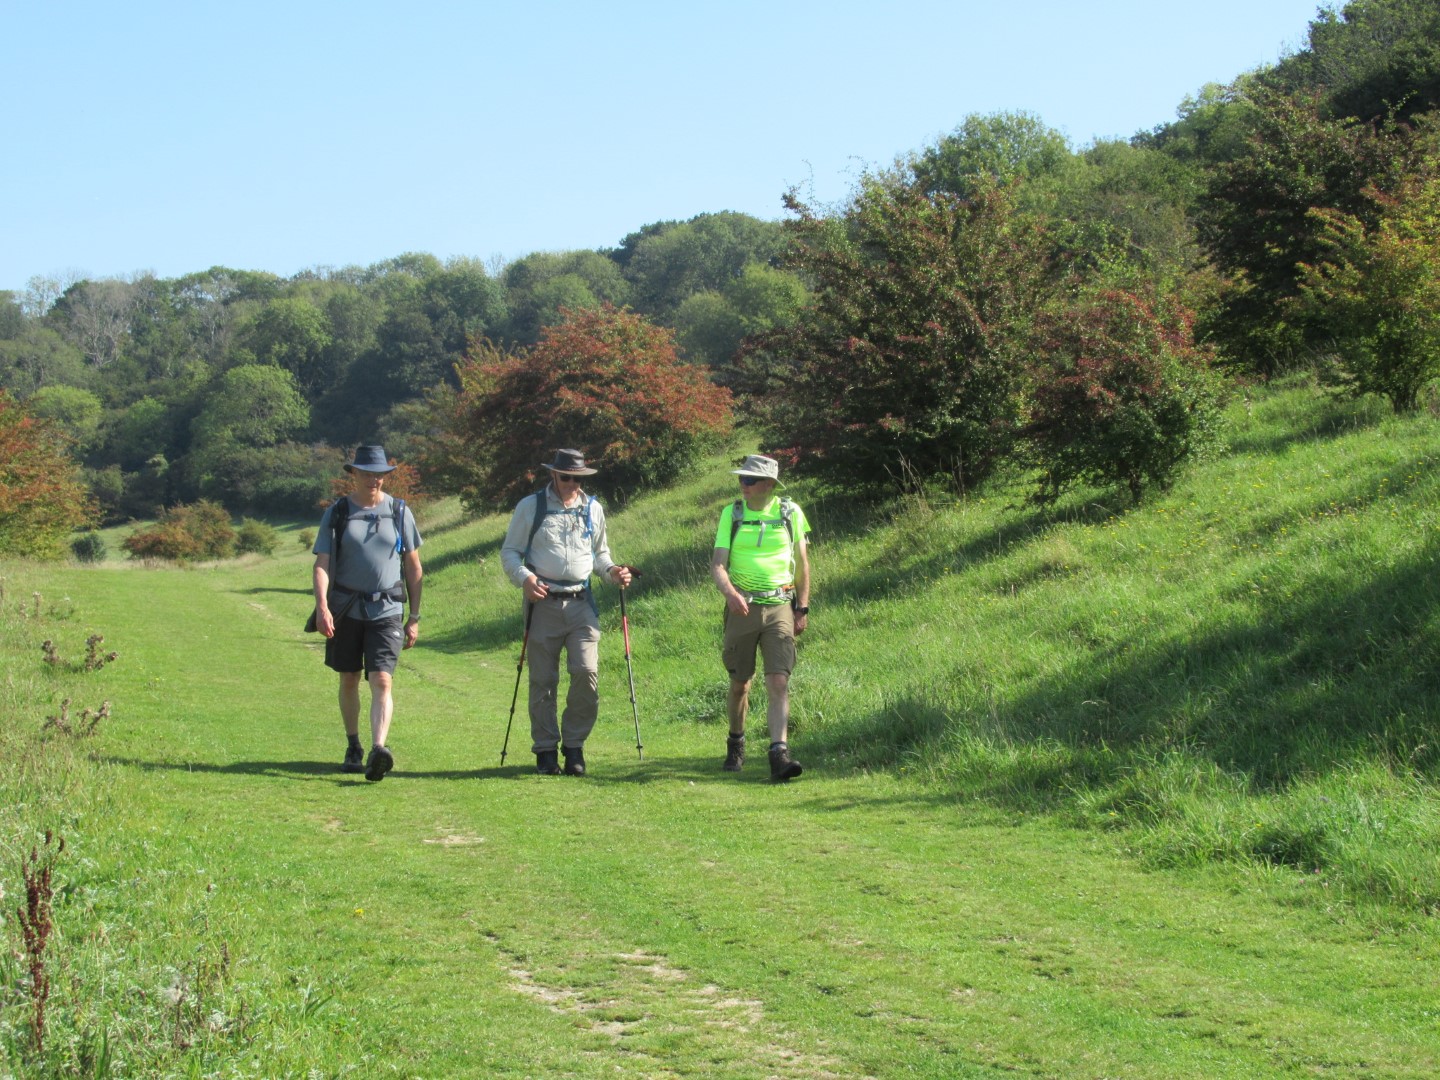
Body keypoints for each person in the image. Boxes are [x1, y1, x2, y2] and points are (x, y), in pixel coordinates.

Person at [500, 449, 631, 776]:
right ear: (553, 475)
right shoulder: (531, 507)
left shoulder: (593, 508)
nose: (572, 483)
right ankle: (545, 752)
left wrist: (613, 572)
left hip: (581, 603)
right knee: (543, 680)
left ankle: (574, 746)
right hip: (542, 603)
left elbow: (601, 555)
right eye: (566, 477)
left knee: (586, 673)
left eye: (578, 477)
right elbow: (510, 553)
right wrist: (525, 579)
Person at [311, 445, 423, 782]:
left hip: (387, 609)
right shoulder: (339, 512)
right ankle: (353, 745)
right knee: (349, 678)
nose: (373, 479)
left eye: (379, 474)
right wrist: (322, 607)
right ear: (353, 475)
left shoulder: (400, 512)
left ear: (386, 476)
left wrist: (414, 616)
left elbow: (414, 567)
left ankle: (378, 749)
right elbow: (322, 564)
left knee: (382, 679)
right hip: (347, 608)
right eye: (366, 473)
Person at [710, 454, 811, 782]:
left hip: (780, 605)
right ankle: (736, 742)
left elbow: (802, 562)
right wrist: (730, 594)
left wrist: (802, 608)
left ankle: (779, 753)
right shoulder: (732, 513)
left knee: (778, 680)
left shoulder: (790, 513)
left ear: (769, 484)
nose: (743, 485)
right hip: (742, 607)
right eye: (741, 479)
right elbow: (718, 565)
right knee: (740, 683)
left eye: (750, 480)